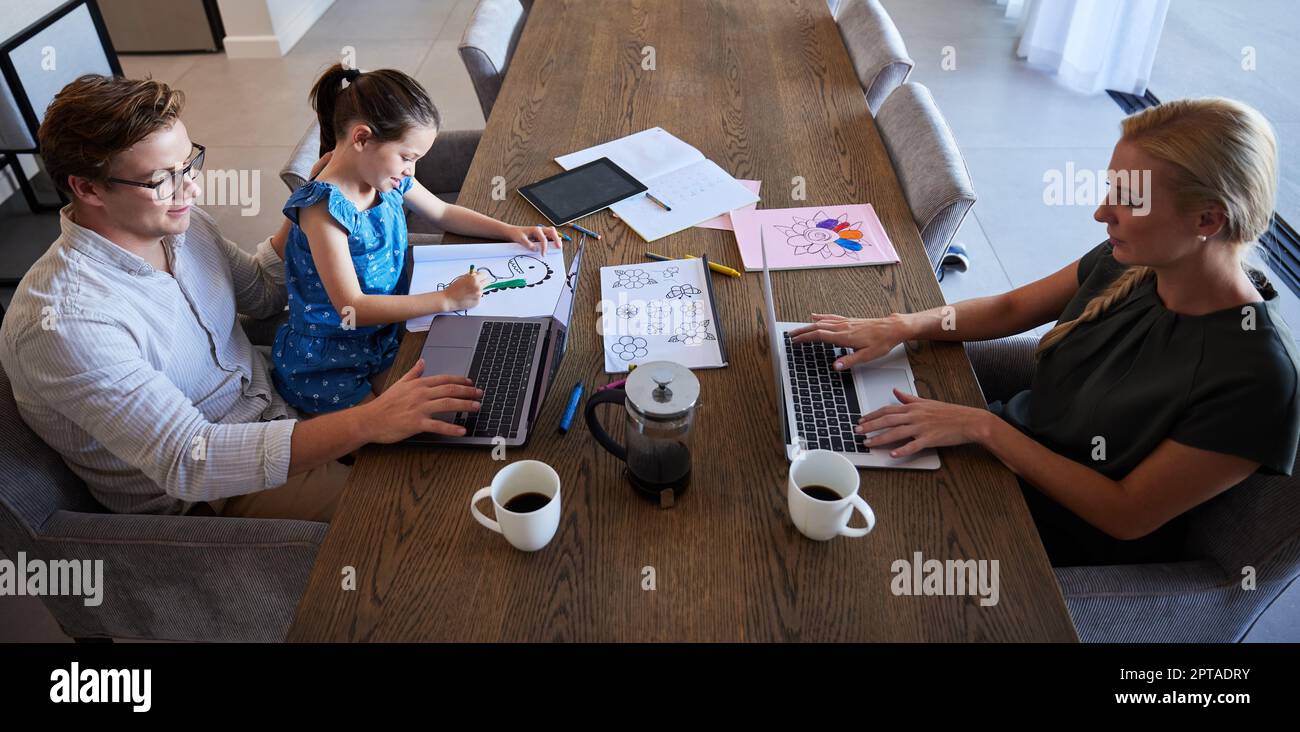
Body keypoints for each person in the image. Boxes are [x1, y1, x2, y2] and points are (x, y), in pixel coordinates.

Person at [791, 97, 1300, 565]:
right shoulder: (1135, 259)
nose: (1102, 212)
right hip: (998, 460)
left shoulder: (1255, 378)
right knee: (804, 458)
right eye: (1109, 189)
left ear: (1208, 219)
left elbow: (1126, 514)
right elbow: (1013, 305)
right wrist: (901, 325)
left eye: (1128, 200)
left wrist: (983, 427)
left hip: (1051, 533)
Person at [0, 74, 484, 520]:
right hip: (216, 490)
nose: (189, 187)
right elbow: (193, 460)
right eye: (162, 177)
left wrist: (314, 207)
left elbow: (264, 291)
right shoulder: (67, 323)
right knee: (426, 507)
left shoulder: (183, 226)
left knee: (466, 441)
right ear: (87, 188)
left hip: (277, 404)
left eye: (189, 163)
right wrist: (371, 421)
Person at [273, 64, 563, 414]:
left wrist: (509, 231)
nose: (411, 170)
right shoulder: (322, 209)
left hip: (385, 334)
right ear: (362, 138)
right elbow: (352, 306)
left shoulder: (387, 176)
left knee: (455, 399)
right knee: (399, 434)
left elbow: (442, 212)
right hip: (329, 361)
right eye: (407, 157)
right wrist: (446, 299)